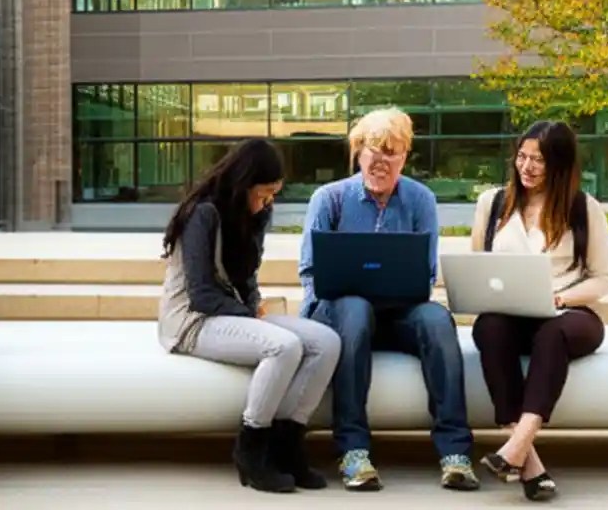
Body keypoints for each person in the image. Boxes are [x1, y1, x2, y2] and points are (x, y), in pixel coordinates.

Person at [297, 108, 478, 492]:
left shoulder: (421, 199)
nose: (381, 162)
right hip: (340, 315)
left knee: (436, 318)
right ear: (357, 153)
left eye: (391, 153)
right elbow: (310, 274)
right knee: (355, 308)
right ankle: (353, 450)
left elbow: (425, 275)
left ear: (404, 156)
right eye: (372, 152)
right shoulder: (328, 198)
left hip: (398, 313)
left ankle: (455, 453)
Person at [158, 139, 342, 494]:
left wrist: (252, 306)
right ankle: (252, 446)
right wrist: (250, 317)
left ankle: (286, 443)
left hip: (232, 311)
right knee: (283, 346)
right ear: (243, 183)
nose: (268, 201)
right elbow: (201, 293)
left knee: (326, 342)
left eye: (274, 194)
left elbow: (247, 276)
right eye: (264, 193)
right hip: (192, 320)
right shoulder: (203, 213)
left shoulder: (255, 213)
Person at [469, 120, 608, 502]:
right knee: (488, 329)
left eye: (539, 159)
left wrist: (561, 299)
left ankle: (517, 444)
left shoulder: (584, 208)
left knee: (553, 334)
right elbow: (477, 265)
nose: (527, 166)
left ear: (560, 164)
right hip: (511, 312)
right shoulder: (493, 203)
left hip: (568, 313)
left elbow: (603, 278)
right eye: (522, 156)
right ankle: (528, 462)